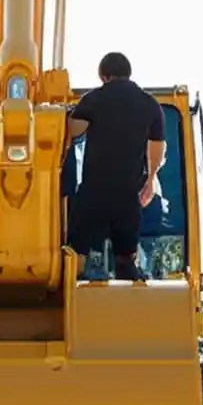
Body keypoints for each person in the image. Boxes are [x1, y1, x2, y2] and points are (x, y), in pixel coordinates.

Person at [65, 51, 166, 281]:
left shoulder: (94, 99)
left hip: (94, 191)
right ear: (129, 73)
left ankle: (78, 279)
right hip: (127, 194)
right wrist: (150, 180)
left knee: (78, 251)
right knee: (125, 255)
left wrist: (67, 116)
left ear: (103, 75)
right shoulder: (149, 104)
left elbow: (74, 130)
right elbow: (157, 146)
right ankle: (127, 285)